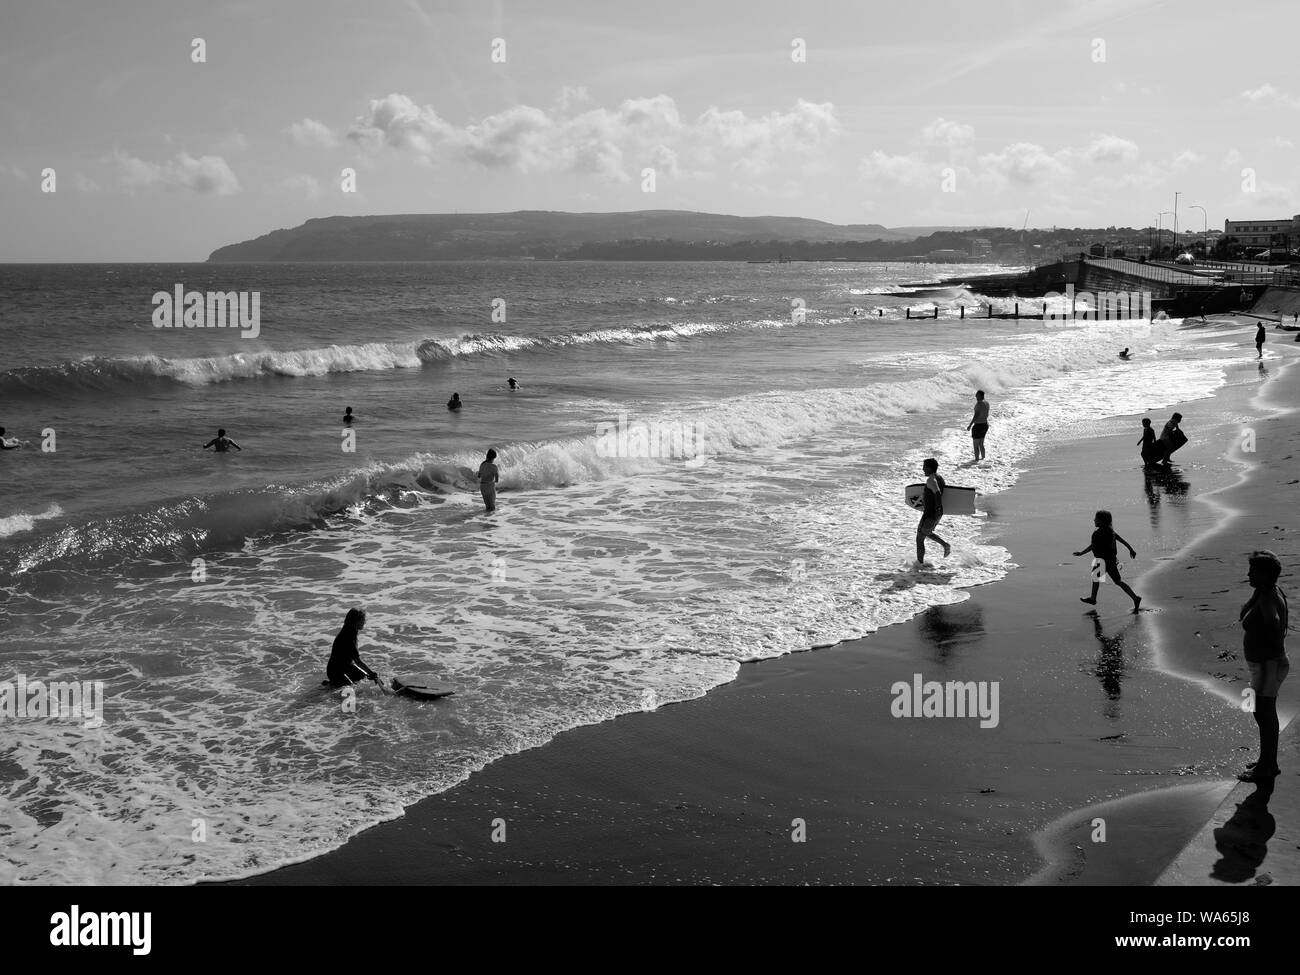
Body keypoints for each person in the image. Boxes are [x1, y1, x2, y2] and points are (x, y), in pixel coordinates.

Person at [1239, 551, 1289, 782]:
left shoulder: (1268, 595)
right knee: (1260, 713)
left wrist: (1267, 649)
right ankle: (1266, 760)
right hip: (1263, 665)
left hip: (1269, 664)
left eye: (1253, 571)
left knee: (1264, 714)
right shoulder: (1263, 591)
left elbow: (1274, 624)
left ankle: (1267, 767)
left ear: (1265, 575)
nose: (1248, 573)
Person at [1073, 510, 1141, 612]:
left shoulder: (1097, 533)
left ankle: (1093, 598)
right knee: (1118, 581)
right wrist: (1131, 549)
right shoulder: (1111, 531)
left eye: (1096, 518)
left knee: (1096, 577)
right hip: (1111, 559)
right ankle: (1135, 598)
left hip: (1101, 559)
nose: (1094, 520)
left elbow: (1093, 546)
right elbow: (1122, 540)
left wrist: (1081, 553)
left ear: (1101, 521)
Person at [326, 608, 380, 689]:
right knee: (349, 689)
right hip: (336, 671)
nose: (364, 622)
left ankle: (331, 684)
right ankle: (330, 686)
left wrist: (369, 674)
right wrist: (371, 673)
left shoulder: (349, 631)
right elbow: (358, 662)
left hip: (345, 667)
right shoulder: (349, 637)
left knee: (363, 678)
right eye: (363, 620)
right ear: (356, 621)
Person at [915, 457, 950, 564]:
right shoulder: (940, 478)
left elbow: (938, 493)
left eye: (924, 467)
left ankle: (920, 565)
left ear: (930, 468)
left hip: (931, 513)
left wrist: (937, 507)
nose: (923, 469)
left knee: (919, 539)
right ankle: (945, 545)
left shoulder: (931, 480)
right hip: (937, 513)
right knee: (926, 532)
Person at [965, 390, 990, 462]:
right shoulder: (986, 403)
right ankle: (983, 459)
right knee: (981, 444)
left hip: (978, 426)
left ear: (981, 395)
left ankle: (976, 461)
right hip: (985, 425)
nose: (975, 396)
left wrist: (970, 425)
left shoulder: (979, 403)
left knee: (976, 446)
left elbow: (976, 415)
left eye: (977, 395)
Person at [477, 448, 500, 513]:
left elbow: (479, 476)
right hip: (490, 485)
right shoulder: (494, 466)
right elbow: (497, 479)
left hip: (482, 486)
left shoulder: (482, 464)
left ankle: (487, 520)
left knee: (487, 506)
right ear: (493, 457)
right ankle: (492, 520)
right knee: (492, 506)